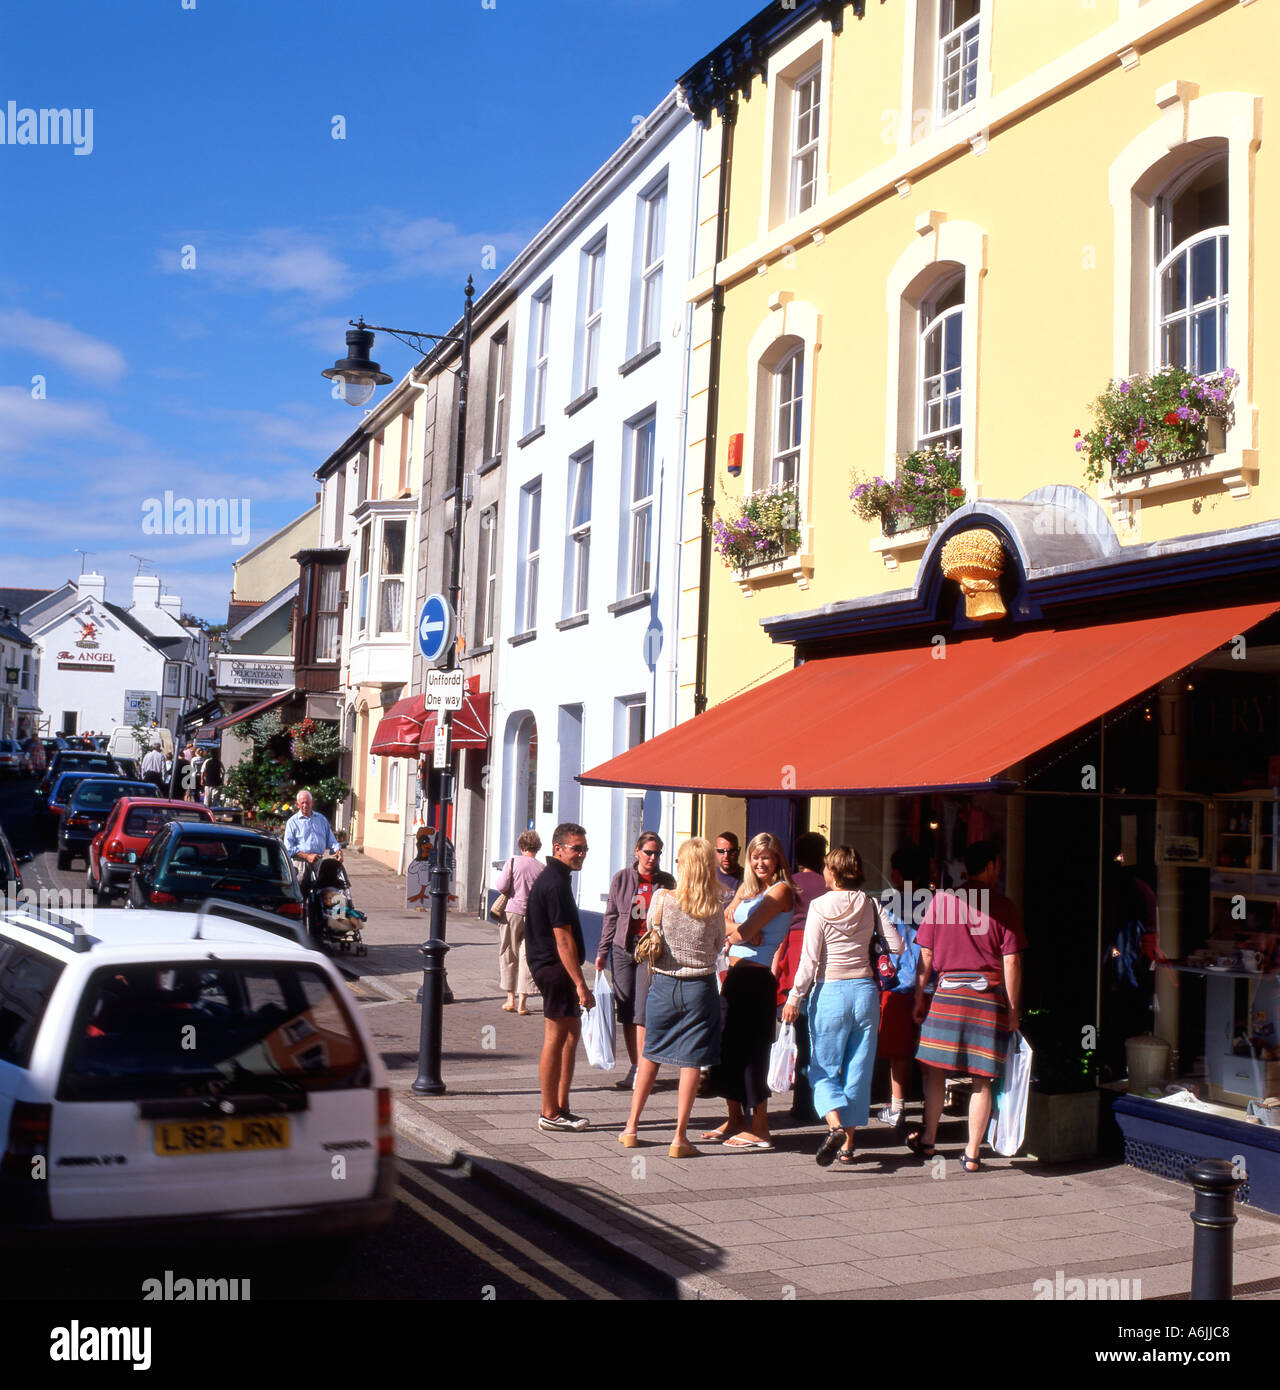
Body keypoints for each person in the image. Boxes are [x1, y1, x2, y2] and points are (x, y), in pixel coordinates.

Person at [783, 846, 905, 1165]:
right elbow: (897, 945)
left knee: (822, 1067)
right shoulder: (871, 903)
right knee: (858, 1070)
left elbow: (809, 961)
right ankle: (848, 1147)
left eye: (826, 867)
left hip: (831, 992)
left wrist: (794, 997)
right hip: (865, 992)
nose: (823, 872)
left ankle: (834, 1125)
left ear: (834, 872)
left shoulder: (820, 906)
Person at [908, 840, 1024, 1173]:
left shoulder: (942, 901)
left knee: (935, 1070)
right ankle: (972, 1153)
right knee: (982, 1080)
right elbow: (1012, 961)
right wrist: (1013, 1009)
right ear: (989, 866)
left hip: (946, 995)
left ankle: (928, 1139)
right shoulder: (1002, 906)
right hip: (986, 998)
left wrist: (919, 998)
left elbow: (926, 956)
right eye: (997, 864)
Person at [618, 838, 725, 1157]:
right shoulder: (713, 906)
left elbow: (652, 931)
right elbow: (719, 944)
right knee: (691, 1060)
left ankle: (631, 1127)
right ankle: (679, 1137)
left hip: (662, 985)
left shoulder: (663, 899)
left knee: (650, 1052)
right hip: (699, 988)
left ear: (683, 865)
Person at [702, 831, 795, 1151]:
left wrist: (737, 932)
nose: (760, 862)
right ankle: (734, 1119)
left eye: (766, 857)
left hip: (756, 982)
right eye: (755, 857)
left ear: (778, 859)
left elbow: (740, 931)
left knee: (753, 1053)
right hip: (734, 978)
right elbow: (723, 922)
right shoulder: (748, 888)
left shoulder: (781, 890)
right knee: (727, 1051)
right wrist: (735, 931)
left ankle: (761, 1127)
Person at [524, 822, 595, 1133]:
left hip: (557, 967)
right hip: (554, 968)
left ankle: (562, 1107)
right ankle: (549, 1112)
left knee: (570, 1035)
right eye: (575, 848)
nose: (581, 854)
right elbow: (562, 938)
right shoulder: (554, 882)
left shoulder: (559, 878)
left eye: (584, 849)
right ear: (558, 849)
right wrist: (581, 984)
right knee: (555, 1037)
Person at [595, 831, 676, 1089]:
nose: (652, 857)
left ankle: (643, 1070)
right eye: (648, 852)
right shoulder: (622, 878)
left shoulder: (665, 882)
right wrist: (602, 951)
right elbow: (611, 916)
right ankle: (635, 1065)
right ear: (637, 852)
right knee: (627, 1008)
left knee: (643, 1010)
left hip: (649, 950)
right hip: (622, 948)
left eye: (657, 853)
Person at [773, 831, 827, 1125]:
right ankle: (813, 1100)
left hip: (792, 955)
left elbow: (779, 927)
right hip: (818, 955)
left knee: (795, 1030)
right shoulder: (827, 886)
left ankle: (798, 1099)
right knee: (813, 1037)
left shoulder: (788, 884)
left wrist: (775, 968)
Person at [876, 847, 930, 1130]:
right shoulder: (936, 903)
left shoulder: (890, 904)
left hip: (897, 984)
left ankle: (897, 1106)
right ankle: (931, 1106)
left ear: (897, 873)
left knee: (898, 1050)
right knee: (928, 1049)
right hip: (931, 983)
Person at [494, 830, 544, 1015]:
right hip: (534, 917)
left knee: (508, 952)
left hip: (512, 913)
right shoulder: (542, 868)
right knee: (527, 956)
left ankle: (510, 999)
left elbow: (500, 886)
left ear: (521, 846)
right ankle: (523, 1002)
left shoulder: (513, 862)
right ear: (537, 848)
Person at [284, 789, 342, 896]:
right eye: (302, 803)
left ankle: (329, 911)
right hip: (300, 863)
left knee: (330, 889)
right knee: (300, 892)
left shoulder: (321, 819)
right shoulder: (292, 822)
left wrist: (337, 850)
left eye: (308, 802)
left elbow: (331, 839)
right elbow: (288, 848)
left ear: (312, 803)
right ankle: (302, 910)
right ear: (297, 805)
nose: (305, 805)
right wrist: (307, 856)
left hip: (318, 861)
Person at [714, 831, 743, 902]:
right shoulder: (709, 876)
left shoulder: (747, 878)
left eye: (731, 851)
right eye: (721, 851)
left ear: (738, 851)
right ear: (715, 851)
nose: (726, 856)